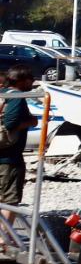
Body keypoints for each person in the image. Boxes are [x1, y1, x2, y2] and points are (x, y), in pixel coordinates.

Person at [0, 67, 33, 223]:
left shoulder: (3, 94)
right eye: (30, 78)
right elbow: (10, 123)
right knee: (10, 201)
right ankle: (4, 237)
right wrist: (31, 122)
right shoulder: (16, 97)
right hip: (10, 160)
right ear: (21, 80)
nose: (33, 81)